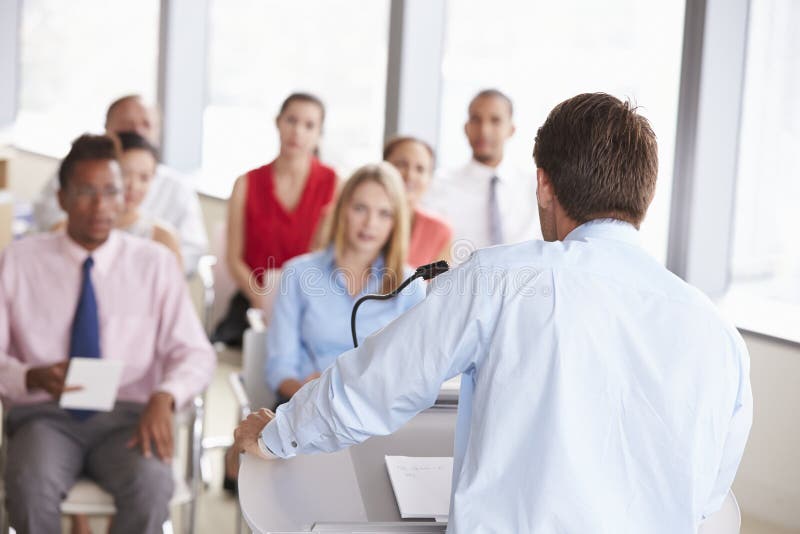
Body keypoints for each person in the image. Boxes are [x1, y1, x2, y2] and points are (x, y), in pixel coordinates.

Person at [234, 93, 753, 533]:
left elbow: (376, 385)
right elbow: (711, 499)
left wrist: (278, 432)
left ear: (544, 184)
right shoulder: (716, 331)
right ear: (646, 193)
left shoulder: (500, 280)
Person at [1, 134, 216, 534]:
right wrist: (29, 376)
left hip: (129, 418)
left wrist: (165, 395)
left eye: (111, 191)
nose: (101, 206)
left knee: (153, 485)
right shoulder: (18, 262)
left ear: (125, 198)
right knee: (29, 483)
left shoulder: (155, 265)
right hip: (44, 417)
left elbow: (195, 353)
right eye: (86, 192)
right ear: (62, 198)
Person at [266, 162, 426, 402]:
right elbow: (280, 366)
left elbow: (414, 371)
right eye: (360, 208)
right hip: (305, 407)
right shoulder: (297, 274)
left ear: (396, 223)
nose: (370, 223)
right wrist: (309, 396)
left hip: (378, 415)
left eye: (385, 213)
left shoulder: (410, 287)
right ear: (343, 210)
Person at [212, 93, 337, 347]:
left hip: (309, 302)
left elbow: (330, 255)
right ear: (278, 122)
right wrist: (262, 299)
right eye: (291, 120)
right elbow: (234, 259)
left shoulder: (335, 185)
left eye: (309, 125)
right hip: (254, 299)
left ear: (319, 134)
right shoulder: (245, 183)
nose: (297, 132)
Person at [32, 95, 208, 276]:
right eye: (127, 124)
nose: (137, 131)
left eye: (146, 124)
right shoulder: (78, 174)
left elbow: (190, 252)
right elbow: (49, 220)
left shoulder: (173, 202)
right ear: (107, 130)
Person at [424, 89, 541, 258]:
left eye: (495, 120)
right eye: (476, 119)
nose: (484, 130)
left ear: (511, 129)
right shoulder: (439, 185)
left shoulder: (535, 188)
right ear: (466, 127)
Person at [383, 136, 452, 267]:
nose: (410, 176)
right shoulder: (360, 218)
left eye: (420, 169)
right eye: (401, 165)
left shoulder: (439, 231)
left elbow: (438, 286)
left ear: (429, 178)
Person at [116, 131, 182, 267]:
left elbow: (177, 287)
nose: (133, 186)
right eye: (124, 174)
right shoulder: (70, 229)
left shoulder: (163, 238)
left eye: (144, 178)